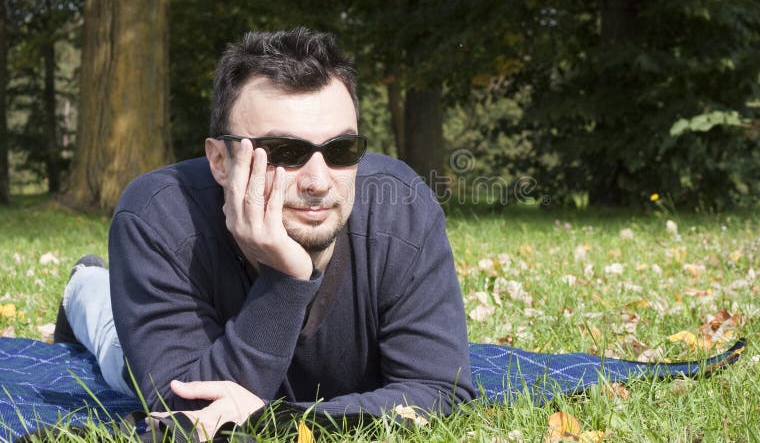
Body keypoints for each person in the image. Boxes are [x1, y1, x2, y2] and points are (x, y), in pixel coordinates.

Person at [55, 28, 475, 437]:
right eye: (284, 153)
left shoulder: (401, 209)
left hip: (261, 381)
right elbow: (184, 413)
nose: (318, 182)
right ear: (220, 160)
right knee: (115, 351)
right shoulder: (156, 216)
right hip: (175, 346)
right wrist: (288, 279)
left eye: (341, 150)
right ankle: (84, 287)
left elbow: (441, 390)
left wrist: (282, 420)